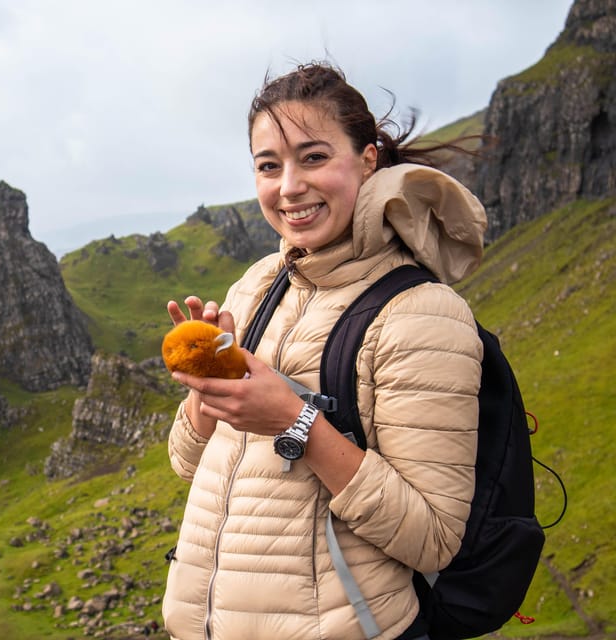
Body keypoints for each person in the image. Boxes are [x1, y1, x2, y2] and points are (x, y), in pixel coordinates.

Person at [161, 62, 488, 640]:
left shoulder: (423, 314)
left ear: (367, 160)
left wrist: (294, 421)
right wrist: (208, 394)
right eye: (269, 166)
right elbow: (188, 464)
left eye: (313, 157)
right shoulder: (258, 285)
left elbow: (435, 538)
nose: (288, 186)